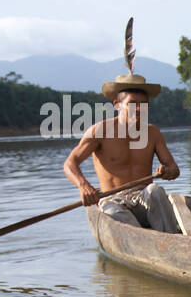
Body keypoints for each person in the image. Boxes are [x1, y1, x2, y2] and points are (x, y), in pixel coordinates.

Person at [63, 71, 180, 233]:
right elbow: (70, 163)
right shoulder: (100, 131)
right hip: (113, 201)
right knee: (114, 212)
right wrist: (83, 186)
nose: (138, 109)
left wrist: (168, 171)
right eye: (132, 103)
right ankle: (143, 238)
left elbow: (174, 169)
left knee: (155, 190)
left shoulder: (152, 133)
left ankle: (171, 239)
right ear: (117, 104)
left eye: (143, 104)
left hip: (143, 199)